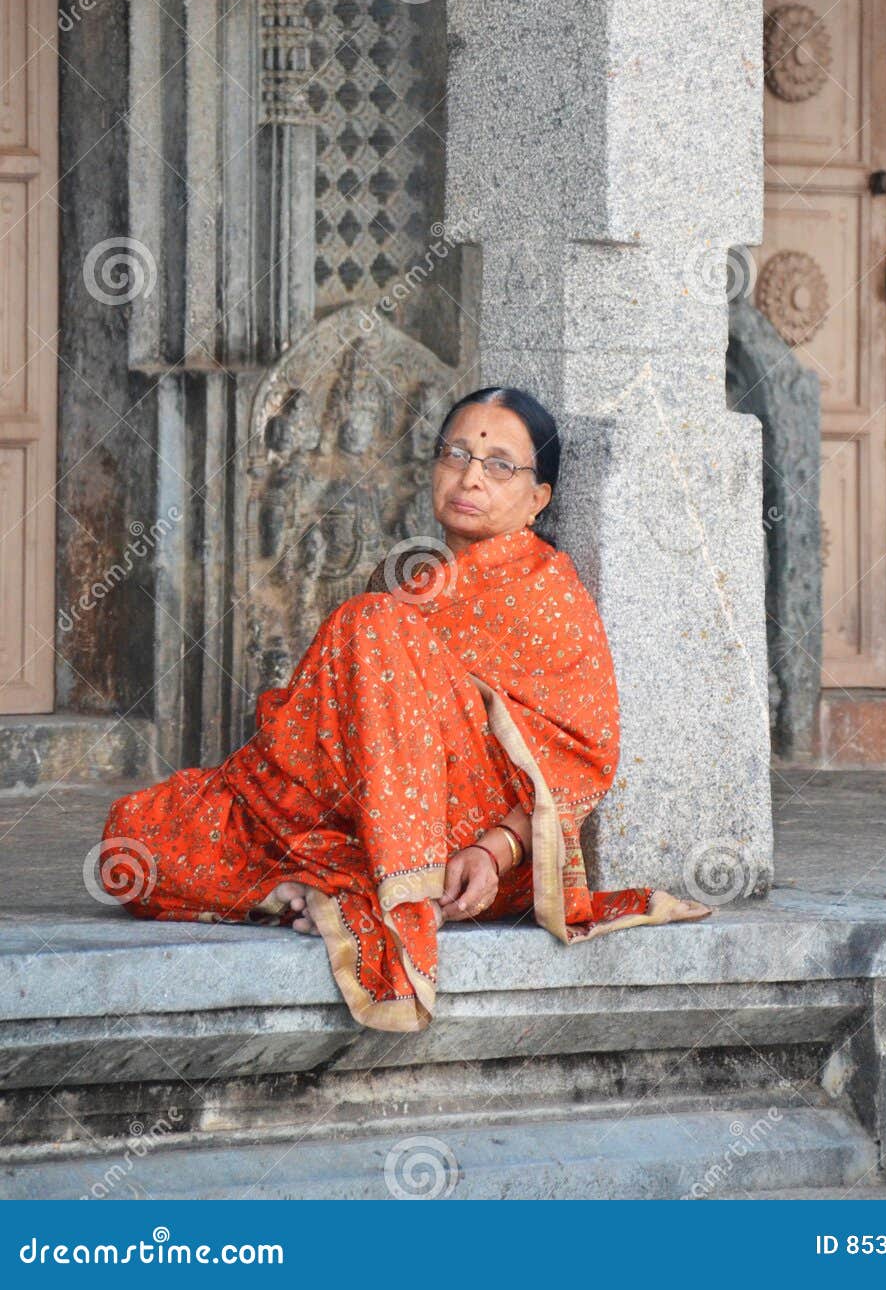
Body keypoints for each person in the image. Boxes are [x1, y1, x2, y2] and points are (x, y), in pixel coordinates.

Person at [97, 385, 710, 1031]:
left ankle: (400, 896)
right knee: (136, 838)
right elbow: (318, 726)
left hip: (466, 854)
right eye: (455, 455)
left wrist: (497, 849)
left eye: (500, 464)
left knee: (371, 621)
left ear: (538, 498)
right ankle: (332, 882)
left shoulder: (548, 591)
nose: (471, 476)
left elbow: (584, 754)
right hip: (350, 815)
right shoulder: (410, 583)